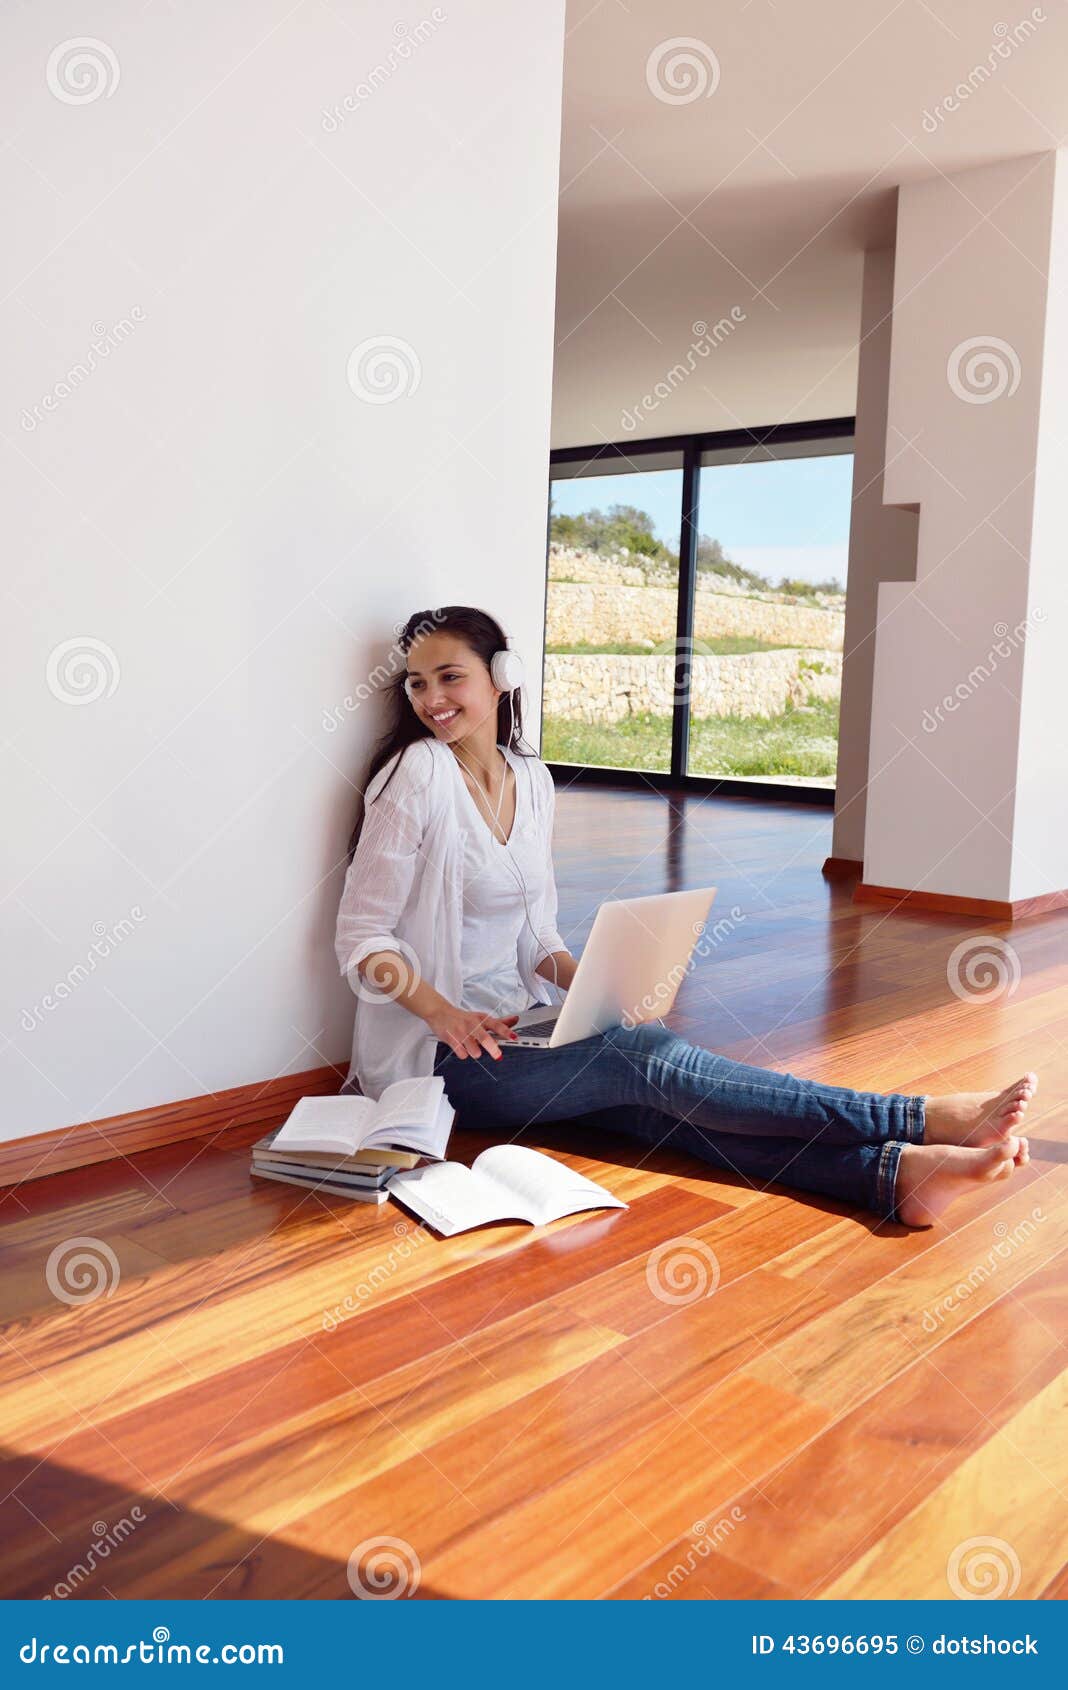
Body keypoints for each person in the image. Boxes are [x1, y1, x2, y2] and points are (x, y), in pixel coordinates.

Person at [334, 605, 1035, 1228]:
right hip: (440, 1060)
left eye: (449, 677)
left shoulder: (533, 781)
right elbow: (362, 937)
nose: (432, 699)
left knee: (662, 1111)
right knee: (646, 1062)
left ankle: (895, 1177)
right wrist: (442, 1013)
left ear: (500, 676)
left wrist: (596, 989)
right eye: (417, 683)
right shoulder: (416, 774)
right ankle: (916, 1116)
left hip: (521, 1029)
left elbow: (538, 938)